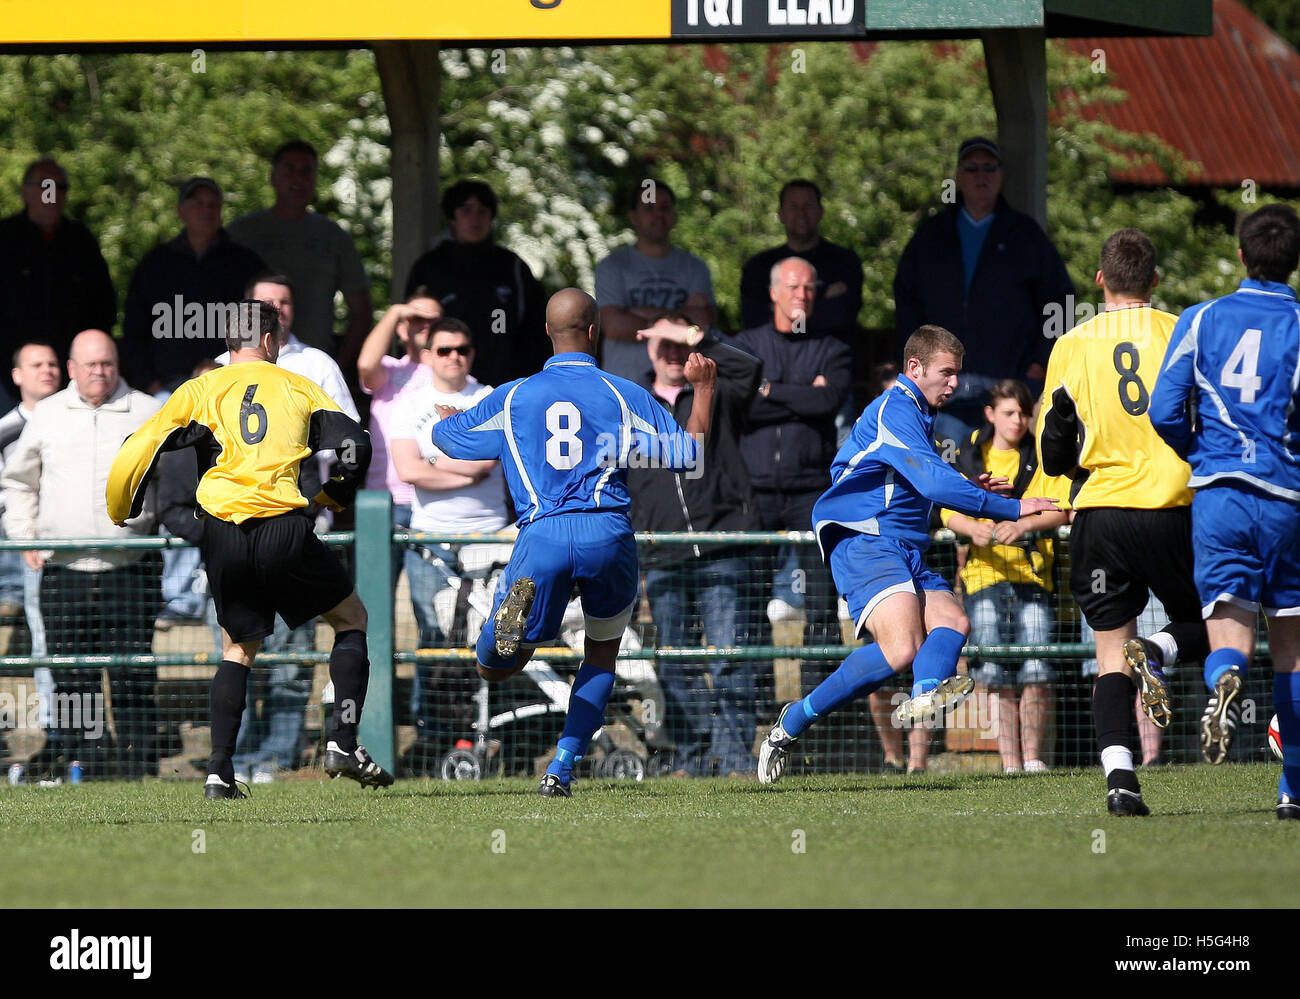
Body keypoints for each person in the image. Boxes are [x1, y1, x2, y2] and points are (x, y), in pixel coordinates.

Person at [432, 288, 717, 797]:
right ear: (595, 331)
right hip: (607, 532)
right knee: (602, 656)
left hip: (542, 533)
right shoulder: (623, 394)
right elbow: (688, 456)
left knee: (493, 667)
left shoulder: (514, 396)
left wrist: (451, 415)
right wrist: (704, 389)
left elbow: (448, 440)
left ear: (547, 332)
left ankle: (513, 632)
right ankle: (560, 768)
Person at [106, 299, 393, 799]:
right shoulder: (299, 386)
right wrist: (332, 496)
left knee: (237, 649)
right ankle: (344, 740)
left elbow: (141, 442)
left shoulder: (197, 389)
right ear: (268, 341)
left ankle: (219, 771)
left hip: (222, 531)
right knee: (350, 619)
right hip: (283, 524)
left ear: (228, 342)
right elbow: (356, 445)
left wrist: (120, 504)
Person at [756, 325, 1059, 785]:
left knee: (954, 622)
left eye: (957, 374)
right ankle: (791, 723)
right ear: (914, 368)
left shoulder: (918, 414)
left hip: (902, 545)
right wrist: (1013, 506)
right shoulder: (896, 408)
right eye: (947, 373)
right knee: (901, 647)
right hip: (864, 540)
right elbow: (934, 482)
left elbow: (915, 489)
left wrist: (966, 491)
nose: (955, 383)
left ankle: (922, 694)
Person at [1038, 228, 1210, 816]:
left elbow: (1052, 455)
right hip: (1171, 506)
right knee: (1221, 626)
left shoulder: (1073, 343)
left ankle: (1120, 781)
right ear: (1156, 281)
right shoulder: (1181, 329)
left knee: (1109, 654)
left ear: (1100, 280)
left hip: (1101, 513)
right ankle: (1159, 650)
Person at [1150, 203, 1300, 819]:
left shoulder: (1201, 318)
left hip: (1219, 497)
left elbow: (1162, 410)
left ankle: (1223, 683)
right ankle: (1292, 790)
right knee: (1291, 653)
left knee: (1228, 635)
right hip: (1288, 499)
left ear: (1240, 255)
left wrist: (1203, 455)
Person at [2, 330, 163, 780]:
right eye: (89, 365)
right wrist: (25, 535)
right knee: (73, 676)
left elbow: (174, 482)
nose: (99, 372)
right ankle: (85, 767)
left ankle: (137, 769)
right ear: (72, 369)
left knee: (133, 673)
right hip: (63, 569)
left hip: (131, 567)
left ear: (118, 364)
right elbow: (18, 482)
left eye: (107, 363)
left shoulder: (149, 413)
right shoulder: (49, 416)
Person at [628, 314, 762, 777]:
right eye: (659, 344)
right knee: (675, 663)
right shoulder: (630, 403)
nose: (668, 352)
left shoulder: (714, 386)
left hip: (721, 543)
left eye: (675, 344)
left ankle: (736, 759)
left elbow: (751, 369)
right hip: (662, 553)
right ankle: (691, 758)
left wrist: (694, 338)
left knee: (729, 659)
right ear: (645, 348)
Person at [893, 137, 1073, 448]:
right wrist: (916, 364)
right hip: (943, 395)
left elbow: (1062, 303)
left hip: (1008, 394)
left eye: (989, 168)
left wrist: (1041, 362)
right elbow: (906, 302)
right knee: (949, 487)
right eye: (972, 168)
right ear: (958, 177)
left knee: (1004, 487)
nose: (981, 176)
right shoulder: (931, 236)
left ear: (1001, 175)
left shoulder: (1026, 236)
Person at [389, 316, 507, 762]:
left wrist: (436, 462)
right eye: (444, 350)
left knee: (493, 635)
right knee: (434, 639)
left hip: (491, 536)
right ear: (426, 356)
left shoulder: (490, 398)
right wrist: (464, 464)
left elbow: (487, 464)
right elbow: (407, 470)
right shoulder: (408, 402)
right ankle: (435, 735)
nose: (454, 357)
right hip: (429, 539)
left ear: (471, 354)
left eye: (462, 349)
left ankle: (491, 733)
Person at [940, 379, 1070, 773]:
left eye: (1024, 414)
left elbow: (1064, 508)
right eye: (1009, 413)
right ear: (990, 414)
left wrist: (1024, 525)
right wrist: (970, 528)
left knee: (1036, 668)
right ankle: (1010, 763)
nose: (1018, 421)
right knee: (994, 673)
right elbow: (944, 505)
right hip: (982, 578)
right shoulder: (969, 455)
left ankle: (1032, 759)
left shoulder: (1043, 455)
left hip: (1033, 577)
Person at [733, 257, 851, 652]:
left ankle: (817, 704)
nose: (802, 295)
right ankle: (757, 701)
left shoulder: (832, 349)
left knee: (820, 603)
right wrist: (804, 393)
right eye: (793, 287)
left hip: (811, 491)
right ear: (773, 293)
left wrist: (769, 389)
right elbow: (741, 406)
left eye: (809, 287)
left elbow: (829, 402)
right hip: (756, 489)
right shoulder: (747, 345)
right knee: (750, 602)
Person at [227, 140, 372, 371]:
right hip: (246, 365)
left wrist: (339, 365)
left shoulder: (334, 237)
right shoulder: (240, 233)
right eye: (289, 170)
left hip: (312, 366)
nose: (298, 178)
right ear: (272, 177)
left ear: (315, 179)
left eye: (306, 171)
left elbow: (362, 310)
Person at [121, 177, 267, 397]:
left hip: (230, 390)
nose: (205, 210)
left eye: (212, 204)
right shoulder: (155, 264)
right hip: (166, 391)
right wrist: (152, 386)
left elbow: (261, 325)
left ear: (221, 212)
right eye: (198, 203)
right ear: (181, 211)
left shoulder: (246, 265)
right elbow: (133, 332)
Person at [402, 181, 548, 389]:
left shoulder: (512, 267)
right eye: (466, 210)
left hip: (504, 384)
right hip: (442, 387)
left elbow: (536, 330)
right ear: (452, 217)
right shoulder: (429, 268)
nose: (475, 219)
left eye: (483, 211)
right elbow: (412, 332)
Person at [0, 342, 62, 769]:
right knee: (40, 641)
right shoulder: (6, 427)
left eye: (54, 364)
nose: (47, 371)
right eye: (36, 365)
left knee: (59, 641)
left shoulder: (73, 418)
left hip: (67, 548)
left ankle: (64, 734)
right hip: (17, 549)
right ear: (17, 375)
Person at [0, 158, 116, 384]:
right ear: (25, 192)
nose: (52, 192)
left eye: (60, 186)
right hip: (8, 375)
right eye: (45, 185)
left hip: (73, 376)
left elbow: (104, 307)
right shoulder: (5, 238)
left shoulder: (81, 240)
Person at [595, 181, 716, 383]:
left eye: (665, 208)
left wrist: (637, 312)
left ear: (674, 214)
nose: (658, 215)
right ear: (634, 216)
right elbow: (614, 325)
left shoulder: (695, 266)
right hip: (625, 386)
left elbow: (704, 320)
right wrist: (681, 321)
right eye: (649, 208)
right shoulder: (612, 266)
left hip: (681, 390)